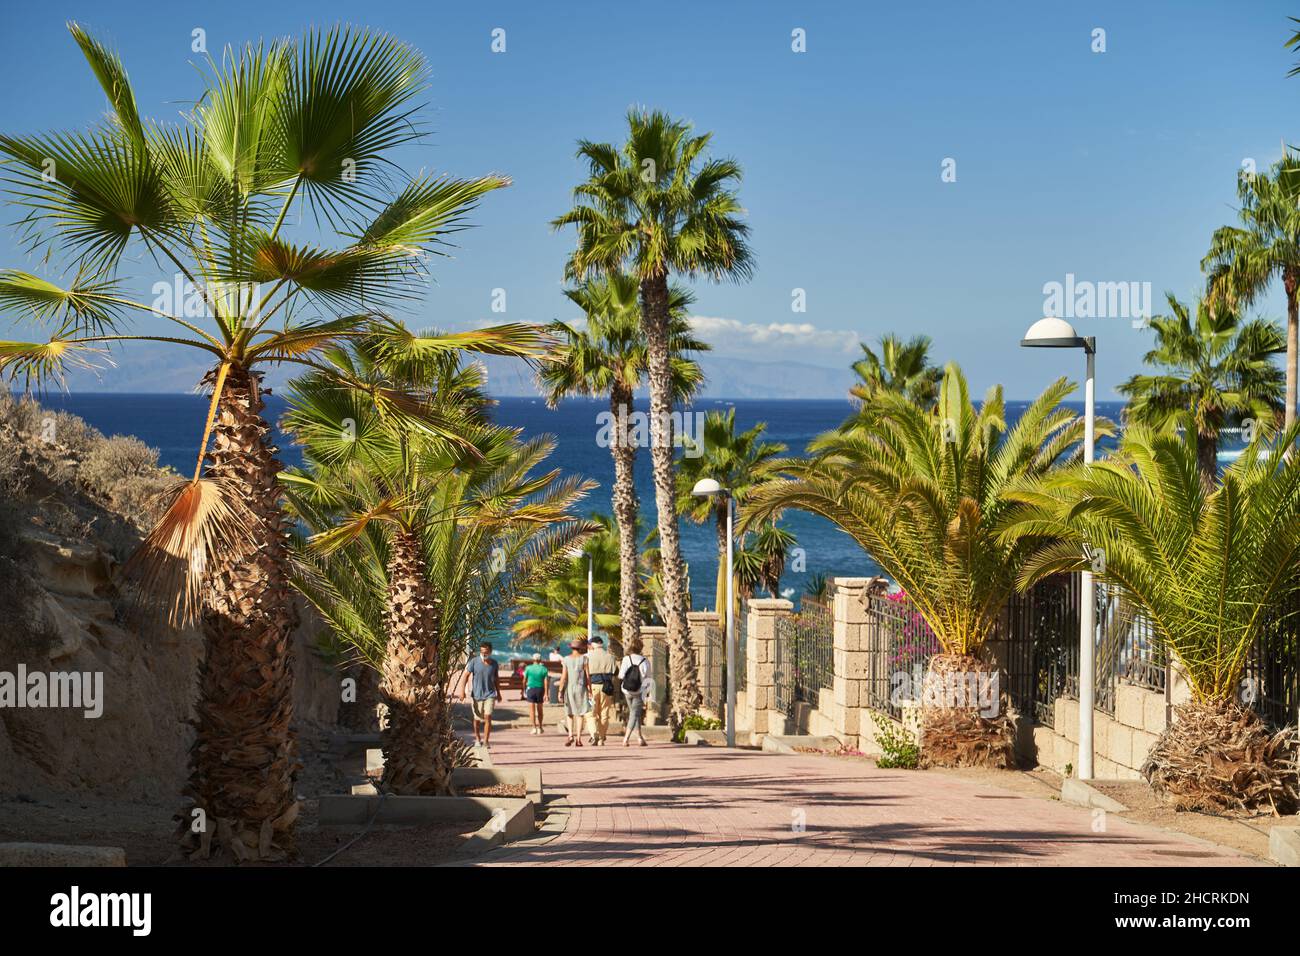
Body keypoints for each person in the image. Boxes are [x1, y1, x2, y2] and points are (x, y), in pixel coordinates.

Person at [456, 641, 502, 749]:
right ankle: (477, 739)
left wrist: (499, 693)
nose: (484, 654)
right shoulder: (474, 662)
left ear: (490, 651)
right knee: (476, 719)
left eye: (486, 652)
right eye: (481, 652)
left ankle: (486, 741)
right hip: (476, 695)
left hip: (490, 694)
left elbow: (496, 679)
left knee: (488, 716)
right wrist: (462, 691)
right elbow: (465, 676)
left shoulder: (494, 664)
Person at [584, 635, 618, 746]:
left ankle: (594, 734)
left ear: (592, 645)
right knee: (604, 713)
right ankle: (602, 738)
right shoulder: (611, 657)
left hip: (592, 687)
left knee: (590, 713)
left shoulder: (586, 657)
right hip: (606, 688)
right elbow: (615, 672)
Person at [618, 638, 652, 747]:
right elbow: (649, 678)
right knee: (634, 713)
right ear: (641, 648)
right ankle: (626, 739)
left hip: (627, 690)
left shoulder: (626, 659)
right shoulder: (645, 661)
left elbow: (621, 675)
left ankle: (639, 738)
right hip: (639, 691)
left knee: (634, 713)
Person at [558, 640, 590, 746]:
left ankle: (570, 735)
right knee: (580, 714)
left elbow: (564, 676)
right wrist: (589, 690)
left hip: (570, 689)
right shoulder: (585, 659)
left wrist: (560, 691)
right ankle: (579, 739)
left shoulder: (566, 659)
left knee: (569, 713)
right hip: (581, 689)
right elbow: (588, 676)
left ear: (571, 648)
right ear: (580, 648)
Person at [522, 652, 550, 735]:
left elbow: (524, 680)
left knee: (532, 710)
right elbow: (546, 682)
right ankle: (540, 727)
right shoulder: (544, 669)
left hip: (530, 689)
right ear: (540, 660)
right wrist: (546, 693)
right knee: (540, 709)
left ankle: (534, 727)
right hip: (540, 689)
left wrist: (523, 689)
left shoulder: (528, 668)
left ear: (533, 660)